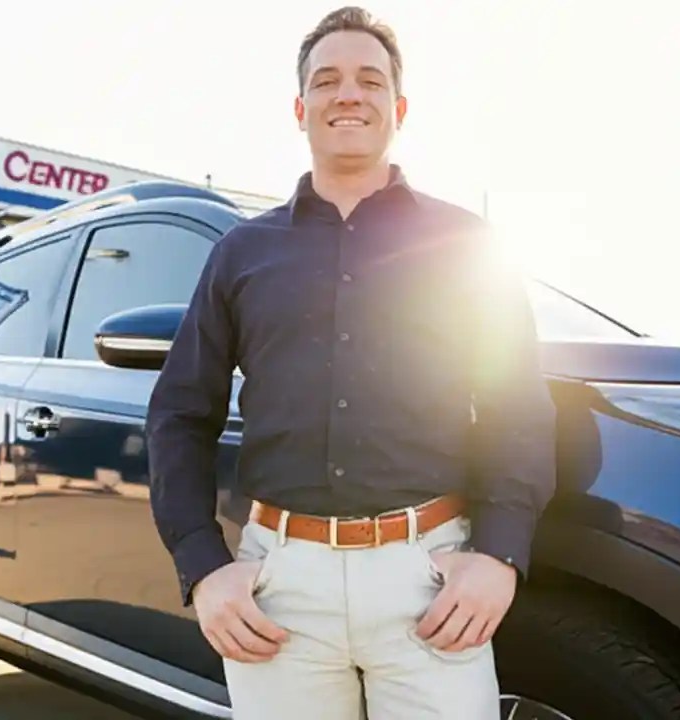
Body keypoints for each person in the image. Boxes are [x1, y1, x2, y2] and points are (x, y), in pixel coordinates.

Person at [145, 6, 557, 718]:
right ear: (300, 107)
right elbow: (180, 415)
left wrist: (498, 554)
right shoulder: (242, 253)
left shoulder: (464, 244)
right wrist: (204, 567)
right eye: (327, 80)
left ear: (397, 107)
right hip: (280, 588)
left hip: (429, 581)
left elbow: (517, 407)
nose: (348, 94)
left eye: (370, 80)